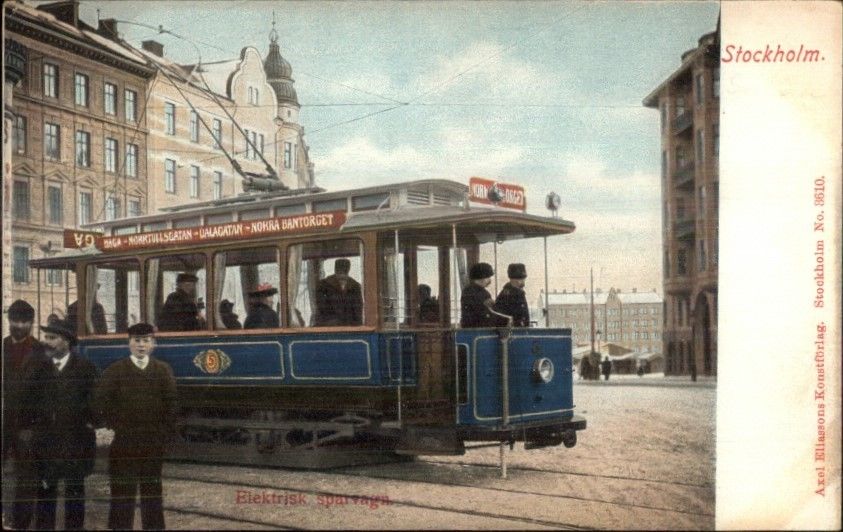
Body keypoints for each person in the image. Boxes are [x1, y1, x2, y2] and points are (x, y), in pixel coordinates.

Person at [96, 323, 176, 530]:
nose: (141, 345)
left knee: (152, 492)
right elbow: (101, 403)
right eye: (137, 340)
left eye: (146, 340)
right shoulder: (115, 371)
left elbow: (171, 406)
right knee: (122, 493)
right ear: (129, 343)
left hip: (152, 443)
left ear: (154, 344)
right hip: (124, 443)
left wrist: (163, 437)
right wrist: (108, 428)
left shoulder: (162, 370)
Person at [20, 318, 99, 530]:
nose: (46, 342)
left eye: (52, 338)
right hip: (45, 443)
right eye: (46, 337)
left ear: (66, 342)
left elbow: (95, 405)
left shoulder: (85, 368)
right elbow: (25, 402)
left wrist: (95, 426)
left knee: (75, 492)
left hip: (75, 443)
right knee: (45, 493)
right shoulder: (37, 368)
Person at [3, 300, 47, 530]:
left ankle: (20, 524)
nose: (18, 325)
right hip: (2, 424)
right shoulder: (2, 347)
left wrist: (32, 427)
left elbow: (45, 395)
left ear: (31, 323)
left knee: (26, 479)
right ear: (8, 321)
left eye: (24, 321)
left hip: (27, 427)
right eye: (14, 320)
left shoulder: (41, 352)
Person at [314, 259, 363, 326]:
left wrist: (359, 328)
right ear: (335, 271)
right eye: (339, 272)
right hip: (328, 327)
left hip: (350, 328)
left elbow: (358, 311)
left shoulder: (355, 287)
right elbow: (321, 308)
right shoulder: (323, 285)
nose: (342, 276)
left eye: (344, 272)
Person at [460, 262, 498, 328]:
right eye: (488, 277)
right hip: (478, 329)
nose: (490, 280)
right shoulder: (479, 293)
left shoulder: (468, 291)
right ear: (481, 277)